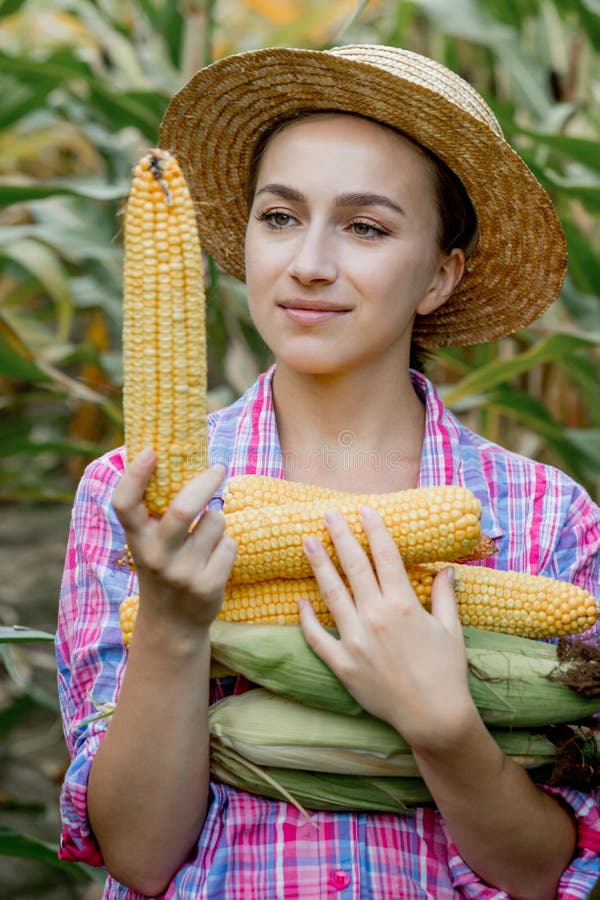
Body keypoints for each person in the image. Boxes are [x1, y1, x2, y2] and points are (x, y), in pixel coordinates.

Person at [56, 45, 600, 899]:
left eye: (365, 226)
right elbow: (138, 854)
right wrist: (170, 625)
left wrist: (443, 725)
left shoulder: (544, 515)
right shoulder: (134, 493)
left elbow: (542, 872)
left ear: (440, 274)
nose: (308, 261)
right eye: (279, 216)